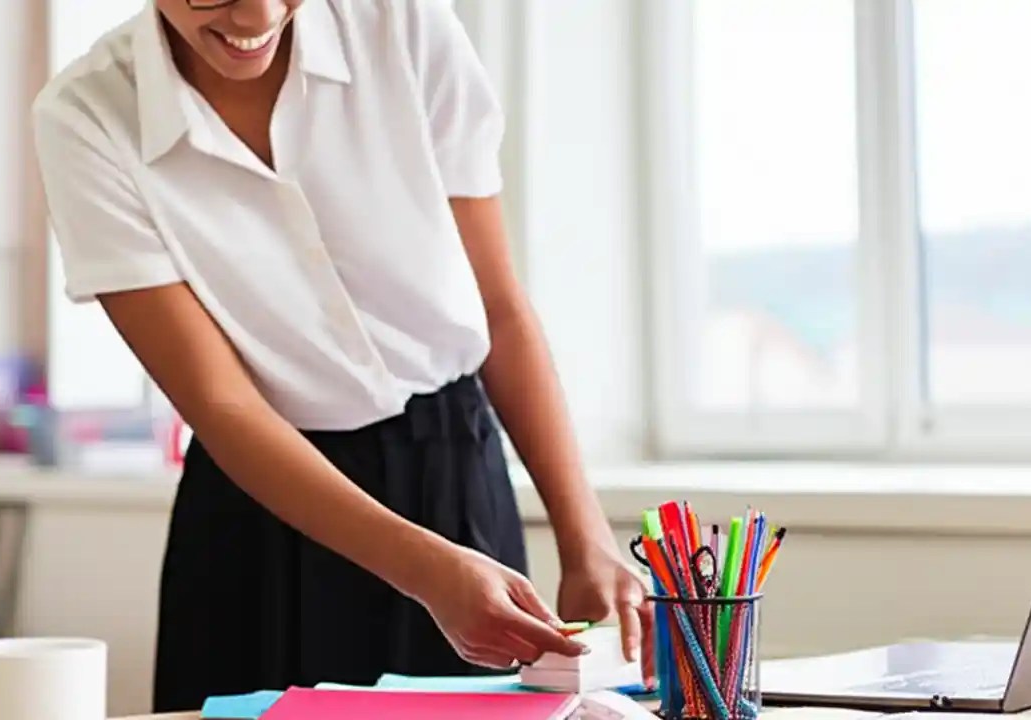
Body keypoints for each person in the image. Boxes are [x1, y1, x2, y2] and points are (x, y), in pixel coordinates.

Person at [32, 0, 652, 712]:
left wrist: (585, 537)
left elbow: (500, 311)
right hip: (261, 509)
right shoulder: (86, 117)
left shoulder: (402, 26)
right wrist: (423, 571)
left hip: (454, 483)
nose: (259, 14)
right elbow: (221, 402)